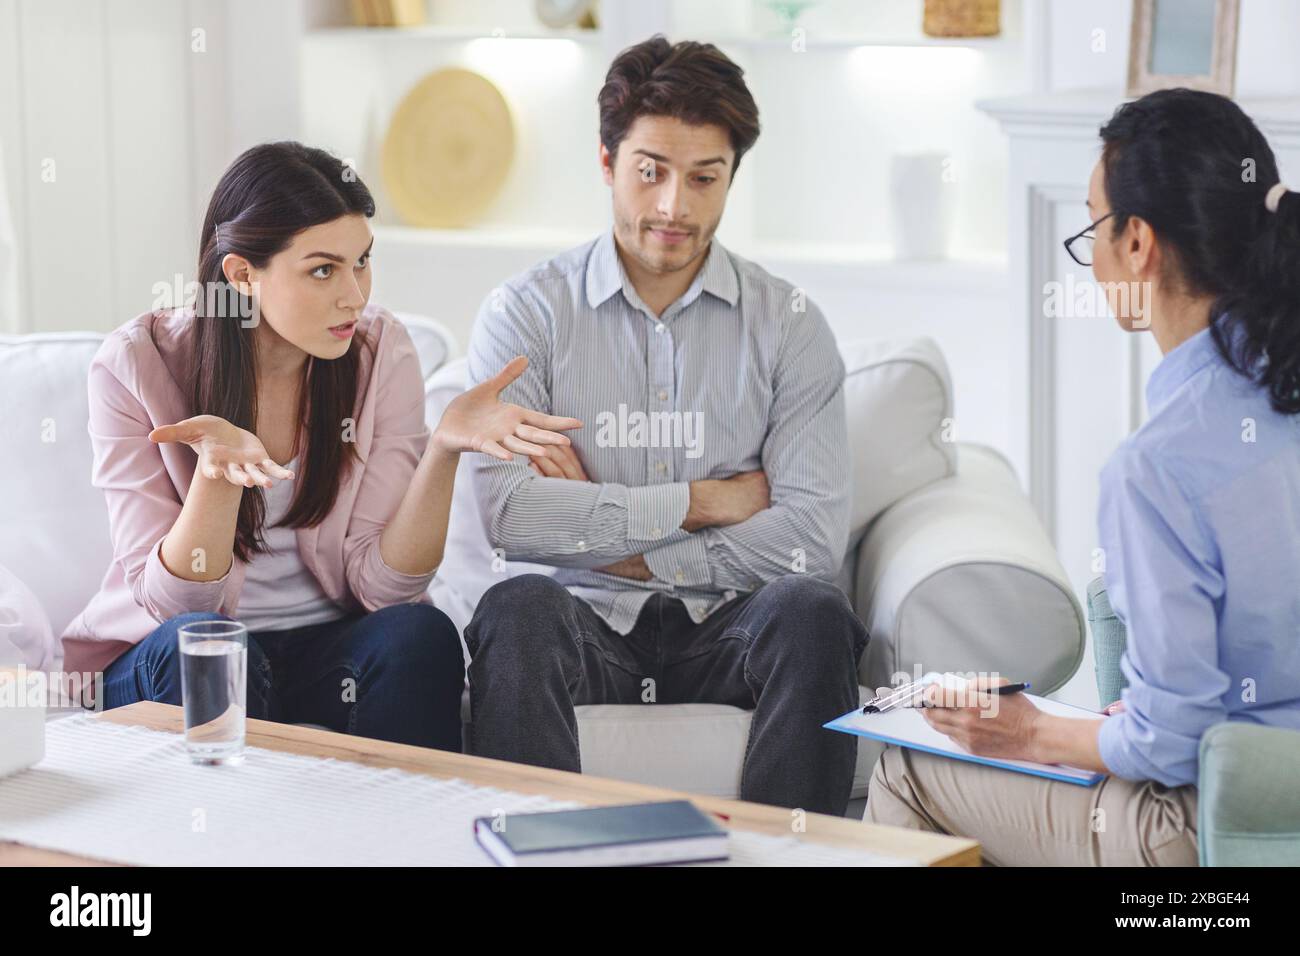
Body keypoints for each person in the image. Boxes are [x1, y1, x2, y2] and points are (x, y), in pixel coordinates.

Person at [867, 89, 1300, 865]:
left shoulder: (1157, 466)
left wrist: (1028, 729)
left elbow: (1173, 745)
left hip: (1203, 829)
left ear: (1139, 242)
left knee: (907, 763)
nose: (1093, 256)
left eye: (1095, 226)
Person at [462, 36, 868, 816]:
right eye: (650, 171)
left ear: (731, 178)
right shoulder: (528, 314)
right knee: (515, 612)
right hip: (580, 624)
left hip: (731, 626)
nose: (674, 206)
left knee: (813, 614)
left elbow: (810, 540)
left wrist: (612, 539)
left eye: (703, 178)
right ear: (608, 163)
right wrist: (703, 501)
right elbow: (511, 520)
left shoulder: (788, 325)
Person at [62, 142, 579, 751]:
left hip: (322, 653)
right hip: (168, 652)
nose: (354, 296)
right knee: (206, 643)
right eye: (322, 270)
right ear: (243, 275)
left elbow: (385, 591)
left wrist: (442, 449)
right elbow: (173, 601)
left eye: (362, 261)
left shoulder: (380, 351)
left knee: (419, 634)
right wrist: (216, 478)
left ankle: (404, 843)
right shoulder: (136, 365)